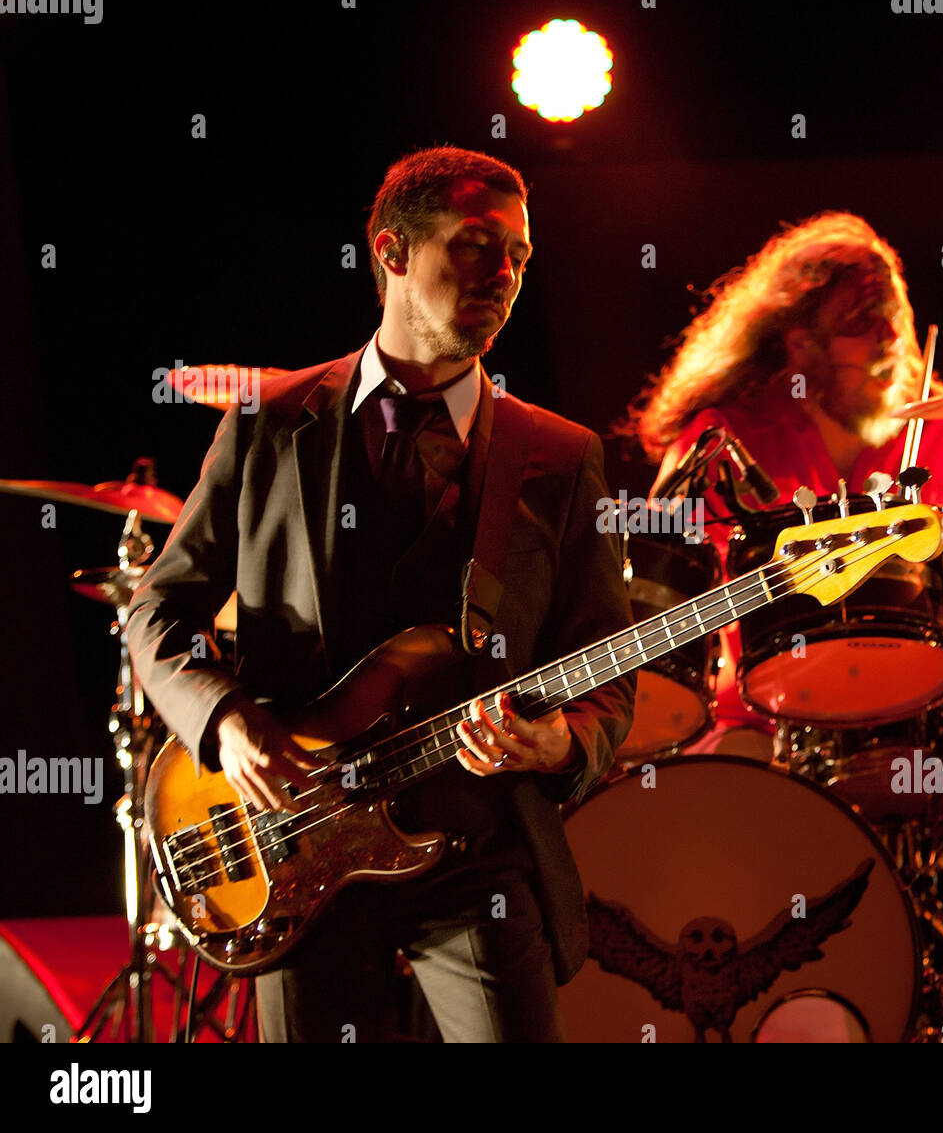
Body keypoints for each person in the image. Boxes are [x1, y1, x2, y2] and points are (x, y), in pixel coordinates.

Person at [127, 146, 636, 1042]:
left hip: (480, 850)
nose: (507, 274)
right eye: (479, 245)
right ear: (393, 252)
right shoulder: (269, 423)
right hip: (295, 844)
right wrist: (225, 722)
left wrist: (563, 738)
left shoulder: (560, 455)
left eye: (519, 255)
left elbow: (607, 670)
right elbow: (158, 612)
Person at [625, 211, 943, 751]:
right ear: (802, 346)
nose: (890, 337)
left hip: (919, 720)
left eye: (893, 314)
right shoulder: (720, 441)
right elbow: (662, 604)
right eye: (861, 319)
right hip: (757, 726)